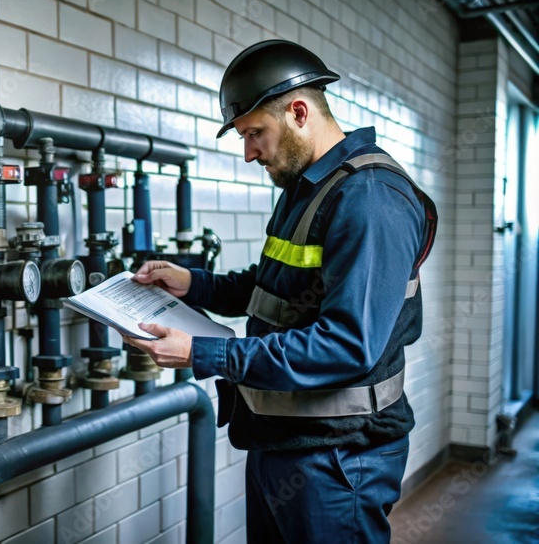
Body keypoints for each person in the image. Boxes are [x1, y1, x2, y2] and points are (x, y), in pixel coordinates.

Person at [123, 40, 438, 543]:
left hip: (339, 459)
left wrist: (204, 353)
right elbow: (276, 290)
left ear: (298, 112)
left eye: (254, 134)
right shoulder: (305, 189)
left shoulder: (369, 199)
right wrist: (192, 284)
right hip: (284, 440)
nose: (248, 152)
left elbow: (347, 346)